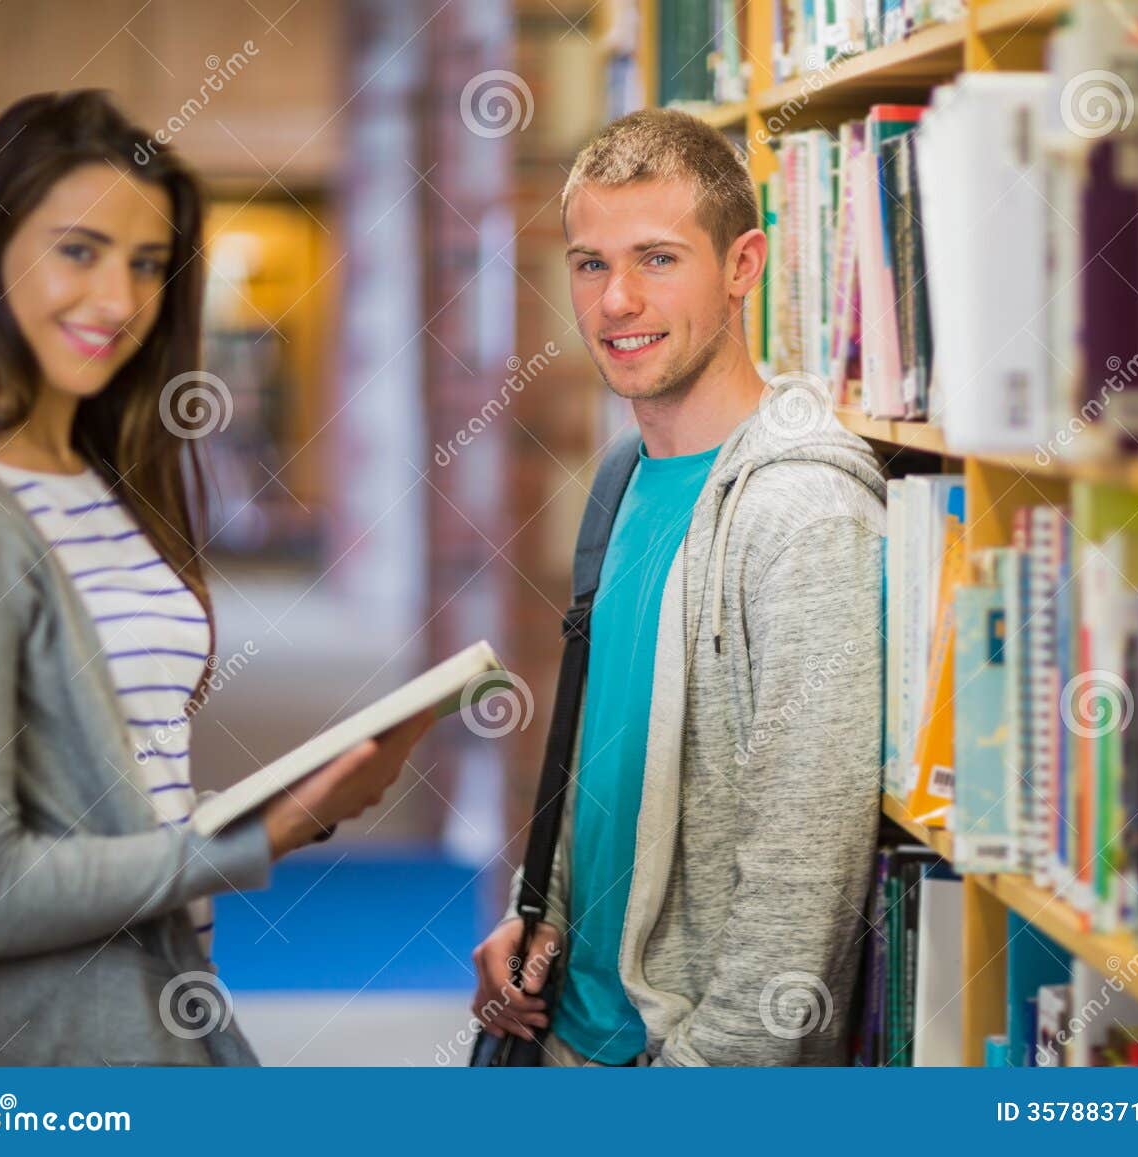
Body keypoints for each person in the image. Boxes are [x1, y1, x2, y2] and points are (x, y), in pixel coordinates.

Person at [0, 90, 431, 1066]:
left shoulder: (98, 468)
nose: (118, 300)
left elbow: (120, 776)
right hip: (42, 1051)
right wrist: (259, 837)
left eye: (149, 263)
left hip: (161, 998)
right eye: (78, 249)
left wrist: (279, 801)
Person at [470, 108, 886, 1066]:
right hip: (566, 1036)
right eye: (589, 262)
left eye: (658, 258)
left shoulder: (804, 516)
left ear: (743, 265)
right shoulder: (618, 478)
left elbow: (802, 876)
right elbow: (597, 752)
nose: (616, 300)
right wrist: (539, 906)